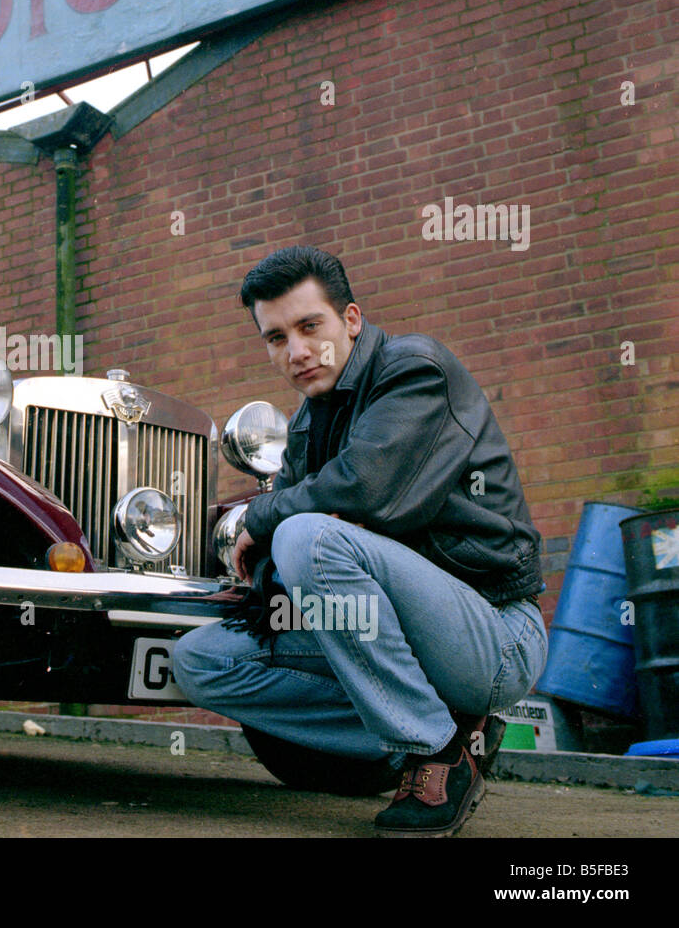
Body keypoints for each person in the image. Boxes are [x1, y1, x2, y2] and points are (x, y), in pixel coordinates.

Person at [171, 245, 547, 837]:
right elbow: (297, 542)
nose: (296, 352)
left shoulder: (414, 370)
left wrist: (265, 518)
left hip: (492, 636)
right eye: (275, 338)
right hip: (393, 637)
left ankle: (434, 752)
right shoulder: (306, 420)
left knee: (305, 535)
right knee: (200, 660)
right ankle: (447, 730)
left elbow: (366, 492)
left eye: (309, 326)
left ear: (351, 320)